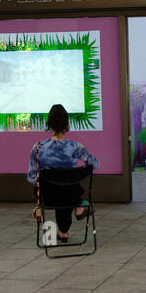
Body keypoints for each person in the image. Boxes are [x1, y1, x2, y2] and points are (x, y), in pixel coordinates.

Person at [27, 104, 99, 242]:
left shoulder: (37, 147)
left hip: (47, 197)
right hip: (70, 196)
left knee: (56, 185)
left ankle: (62, 232)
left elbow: (31, 177)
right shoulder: (75, 146)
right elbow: (95, 164)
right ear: (67, 123)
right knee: (67, 185)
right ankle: (72, 217)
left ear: (49, 123)